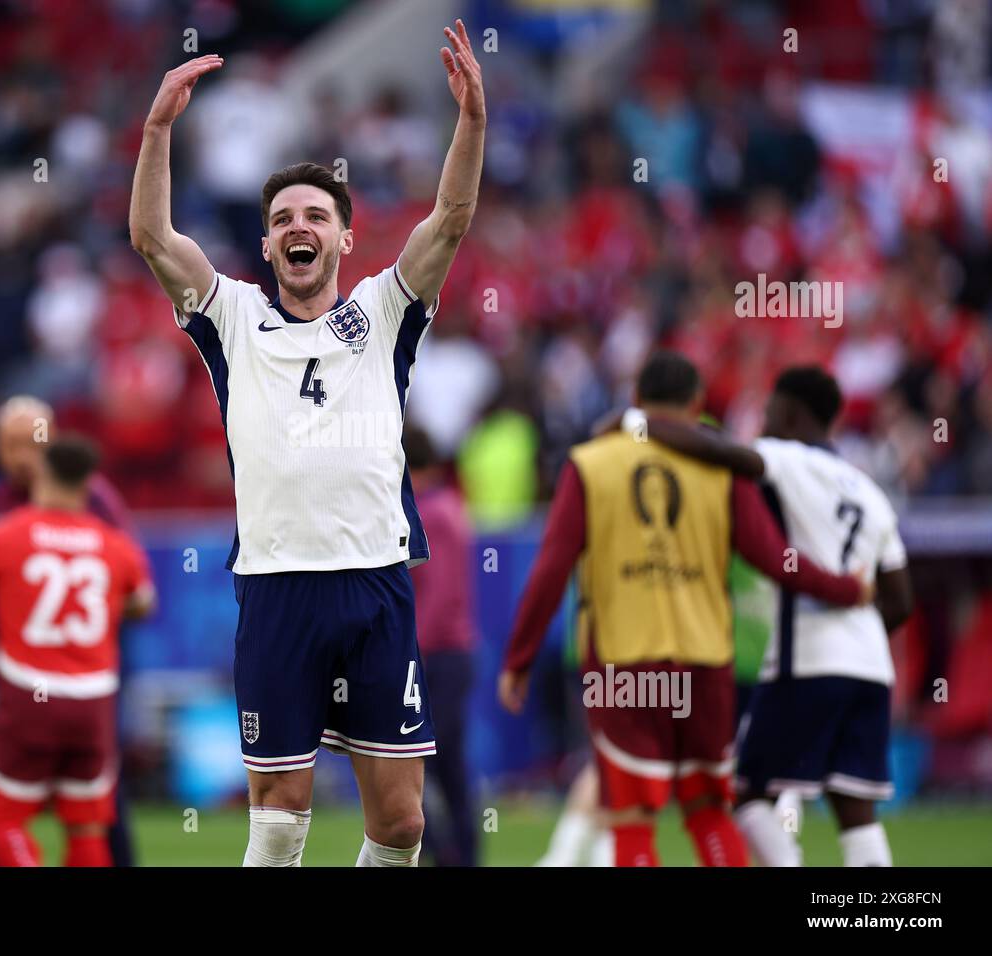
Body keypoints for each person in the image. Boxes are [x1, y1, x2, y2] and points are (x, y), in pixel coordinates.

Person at [128, 19, 485, 867]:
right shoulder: (235, 316)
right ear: (266, 245)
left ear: (343, 238)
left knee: (401, 825)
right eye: (284, 215)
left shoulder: (383, 310)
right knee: (280, 818)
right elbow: (151, 238)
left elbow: (451, 219)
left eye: (317, 215)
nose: (301, 225)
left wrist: (470, 121)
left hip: (374, 585)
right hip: (280, 588)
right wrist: (156, 131)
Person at [497, 352, 871, 867]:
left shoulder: (590, 463)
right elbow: (776, 559)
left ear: (635, 402)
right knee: (709, 812)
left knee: (631, 821)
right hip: (704, 665)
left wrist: (519, 660)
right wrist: (846, 589)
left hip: (622, 664)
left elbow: (550, 570)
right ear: (697, 404)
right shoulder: (720, 467)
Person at [625, 366, 913, 866]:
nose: (762, 420)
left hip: (807, 658)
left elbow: (722, 450)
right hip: (870, 668)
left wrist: (637, 425)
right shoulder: (868, 489)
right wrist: (855, 638)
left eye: (769, 410)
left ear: (790, 413)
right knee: (855, 808)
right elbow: (901, 600)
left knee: (745, 791)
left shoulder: (789, 456)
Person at [0, 394, 150, 867]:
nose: (22, 457)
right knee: (79, 808)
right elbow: (140, 595)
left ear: (52, 442)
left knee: (36, 806)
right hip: (22, 677)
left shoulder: (90, 500)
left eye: (31, 444)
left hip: (76, 674)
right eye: (11, 445)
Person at [405, 424, 479, 866]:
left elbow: (439, 593)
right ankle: (460, 856)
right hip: (451, 652)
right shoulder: (447, 507)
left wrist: (411, 652)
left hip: (438, 654)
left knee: (420, 764)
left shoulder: (432, 512)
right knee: (447, 767)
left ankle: (450, 855)